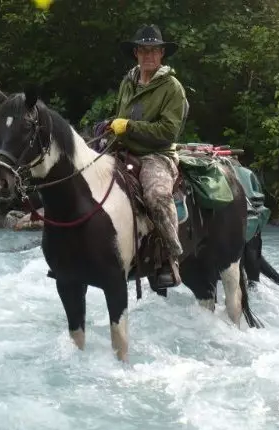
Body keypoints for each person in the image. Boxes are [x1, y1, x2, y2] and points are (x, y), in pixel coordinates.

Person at [108, 24, 189, 289]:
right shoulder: (127, 81)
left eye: (154, 50)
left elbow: (168, 131)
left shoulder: (172, 88)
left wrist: (129, 127)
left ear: (162, 54)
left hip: (156, 154)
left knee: (156, 196)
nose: (149, 55)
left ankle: (169, 258)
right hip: (123, 149)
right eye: (144, 50)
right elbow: (121, 117)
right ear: (136, 53)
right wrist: (110, 126)